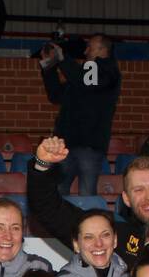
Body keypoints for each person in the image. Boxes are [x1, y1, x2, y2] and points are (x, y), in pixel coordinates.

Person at [38, 36, 121, 196]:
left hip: (88, 144)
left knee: (86, 194)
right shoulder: (82, 76)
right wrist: (49, 65)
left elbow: (85, 80)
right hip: (66, 143)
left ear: (103, 50)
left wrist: (62, 57)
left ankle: (89, 222)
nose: (85, 51)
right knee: (59, 192)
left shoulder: (108, 70)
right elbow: (56, 95)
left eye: (90, 47)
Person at [55, 209, 128, 277]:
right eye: (89, 237)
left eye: (105, 235)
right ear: (76, 245)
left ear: (115, 240)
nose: (98, 243)